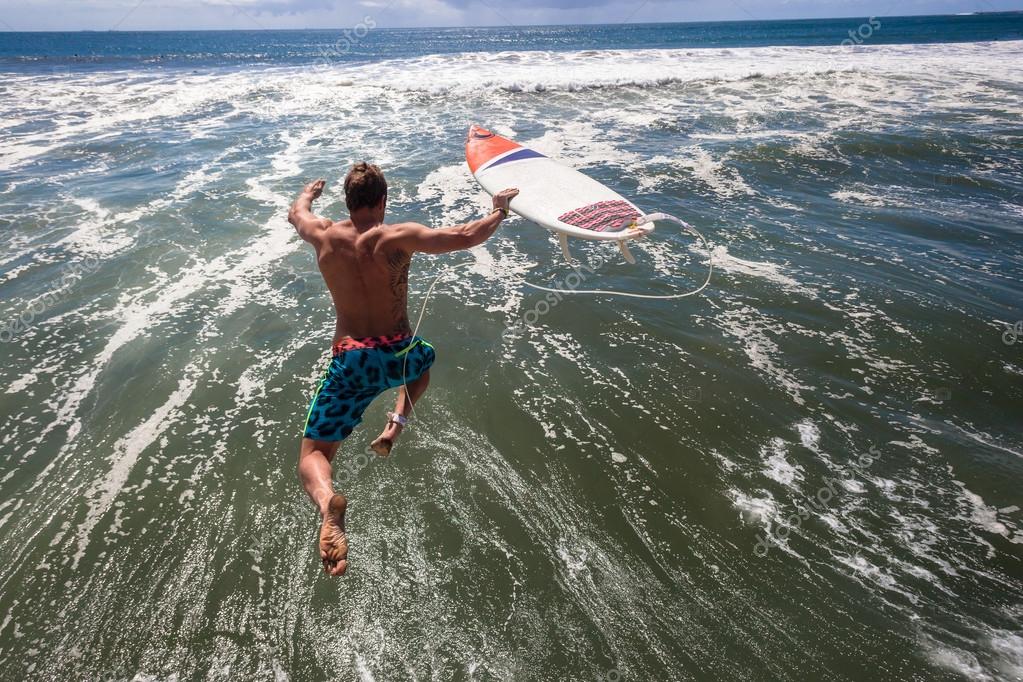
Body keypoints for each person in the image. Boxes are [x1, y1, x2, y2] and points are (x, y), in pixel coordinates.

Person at [288, 161, 518, 577]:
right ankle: (395, 424)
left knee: (316, 453)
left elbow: (296, 214)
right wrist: (499, 209)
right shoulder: (397, 236)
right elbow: (468, 235)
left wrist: (307, 194)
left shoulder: (322, 234)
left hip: (350, 358)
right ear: (382, 201)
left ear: (348, 201)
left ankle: (328, 504)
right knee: (423, 361)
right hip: (398, 352)